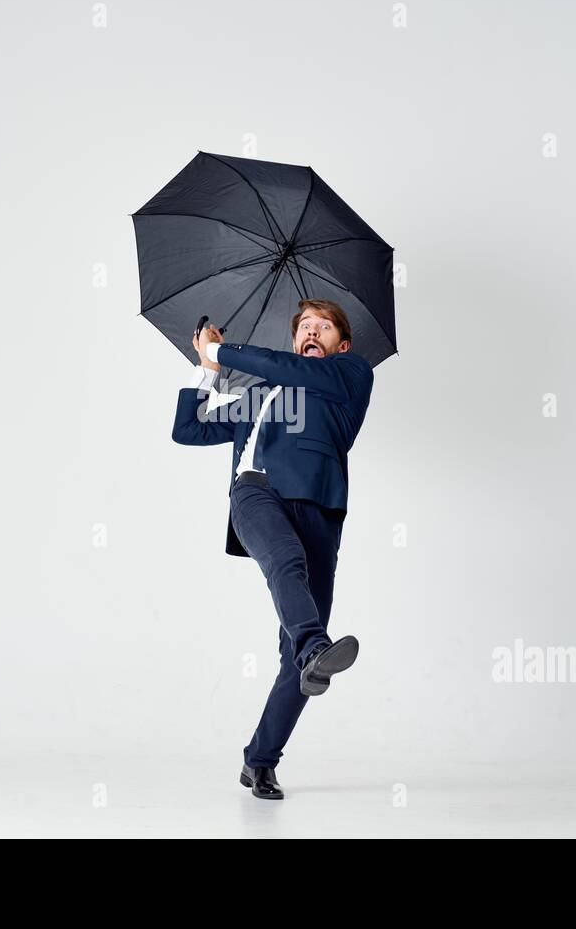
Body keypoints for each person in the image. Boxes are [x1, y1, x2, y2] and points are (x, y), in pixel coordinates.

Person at [170, 299, 375, 799]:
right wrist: (206, 371)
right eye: (304, 325)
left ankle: (259, 760)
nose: (312, 330)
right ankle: (314, 645)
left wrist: (225, 352)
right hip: (255, 493)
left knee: (295, 664)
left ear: (340, 344)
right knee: (287, 566)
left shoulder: (349, 374)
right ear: (294, 336)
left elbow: (288, 367)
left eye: (323, 327)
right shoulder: (262, 392)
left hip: (320, 509)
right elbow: (188, 429)